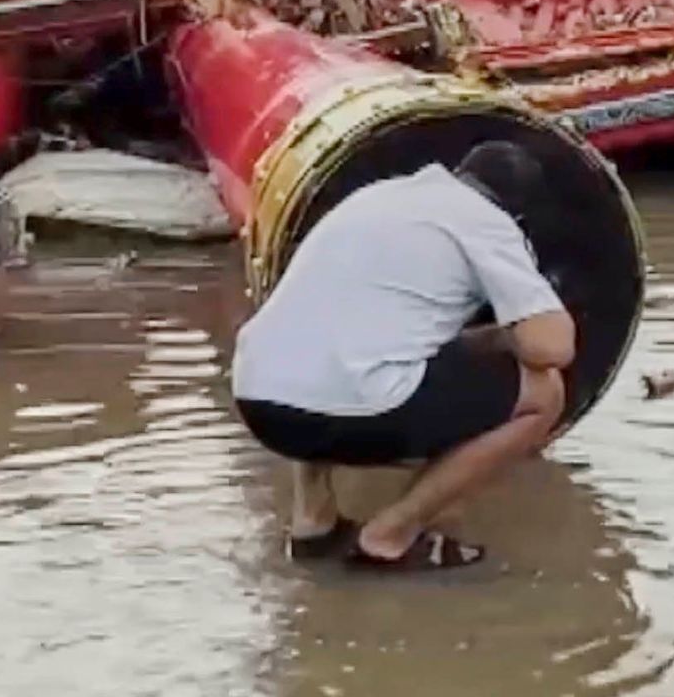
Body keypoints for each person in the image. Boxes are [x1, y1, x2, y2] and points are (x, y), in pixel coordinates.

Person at [232, 140, 576, 573]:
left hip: (257, 397)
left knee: (331, 343)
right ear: (516, 214)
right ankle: (390, 535)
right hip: (348, 406)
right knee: (545, 393)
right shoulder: (487, 222)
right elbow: (551, 347)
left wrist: (489, 339)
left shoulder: (378, 197)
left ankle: (313, 521)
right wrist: (516, 330)